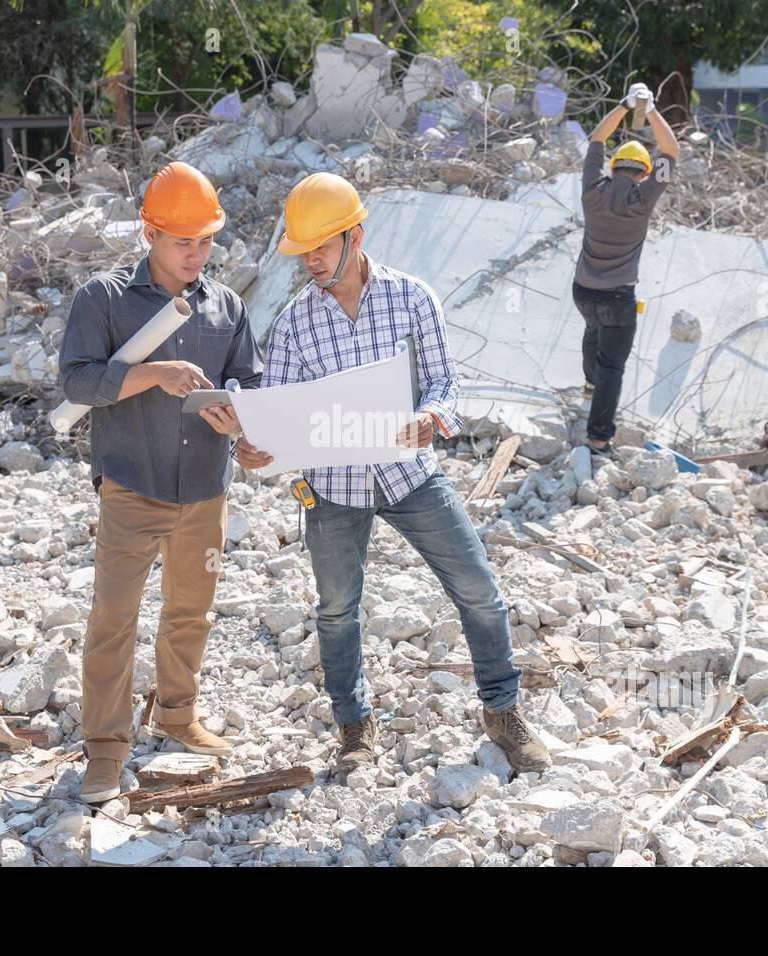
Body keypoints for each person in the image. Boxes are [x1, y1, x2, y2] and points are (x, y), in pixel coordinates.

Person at [206, 172, 551, 778]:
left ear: (355, 235)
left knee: (478, 589)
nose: (309, 260)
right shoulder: (292, 324)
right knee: (337, 609)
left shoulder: (413, 298)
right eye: (302, 250)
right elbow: (277, 416)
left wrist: (431, 417)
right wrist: (250, 448)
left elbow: (445, 382)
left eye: (320, 246)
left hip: (408, 473)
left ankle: (502, 711)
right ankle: (353, 726)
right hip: (333, 488)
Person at [58, 161, 263, 803]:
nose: (197, 255)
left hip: (205, 488)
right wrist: (151, 372)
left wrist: (248, 429)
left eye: (205, 241)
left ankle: (177, 715)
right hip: (131, 486)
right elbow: (75, 383)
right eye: (184, 242)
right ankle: (105, 751)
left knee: (190, 611)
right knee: (114, 618)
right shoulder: (104, 299)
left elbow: (250, 382)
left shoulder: (227, 307)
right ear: (150, 234)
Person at [573, 81, 679, 458]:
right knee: (612, 368)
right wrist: (649, 109)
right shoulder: (645, 196)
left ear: (614, 165)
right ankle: (598, 438)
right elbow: (671, 149)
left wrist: (624, 104)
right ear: (644, 171)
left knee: (591, 329)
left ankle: (588, 385)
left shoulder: (592, 189)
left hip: (583, 290)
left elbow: (596, 140)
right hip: (619, 297)